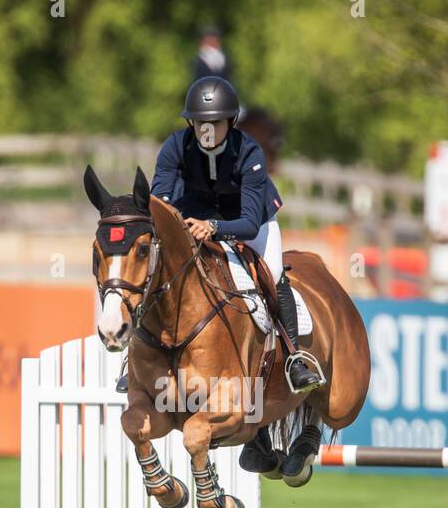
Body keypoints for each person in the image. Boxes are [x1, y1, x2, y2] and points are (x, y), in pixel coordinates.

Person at [115, 75, 321, 394]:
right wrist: (179, 226)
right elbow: (160, 204)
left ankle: (295, 357)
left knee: (274, 274)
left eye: (215, 123)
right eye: (199, 123)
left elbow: (250, 223)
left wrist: (214, 227)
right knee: (156, 271)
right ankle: (134, 359)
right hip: (193, 218)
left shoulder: (249, 152)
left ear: (231, 121)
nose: (207, 131)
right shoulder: (174, 147)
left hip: (248, 219)